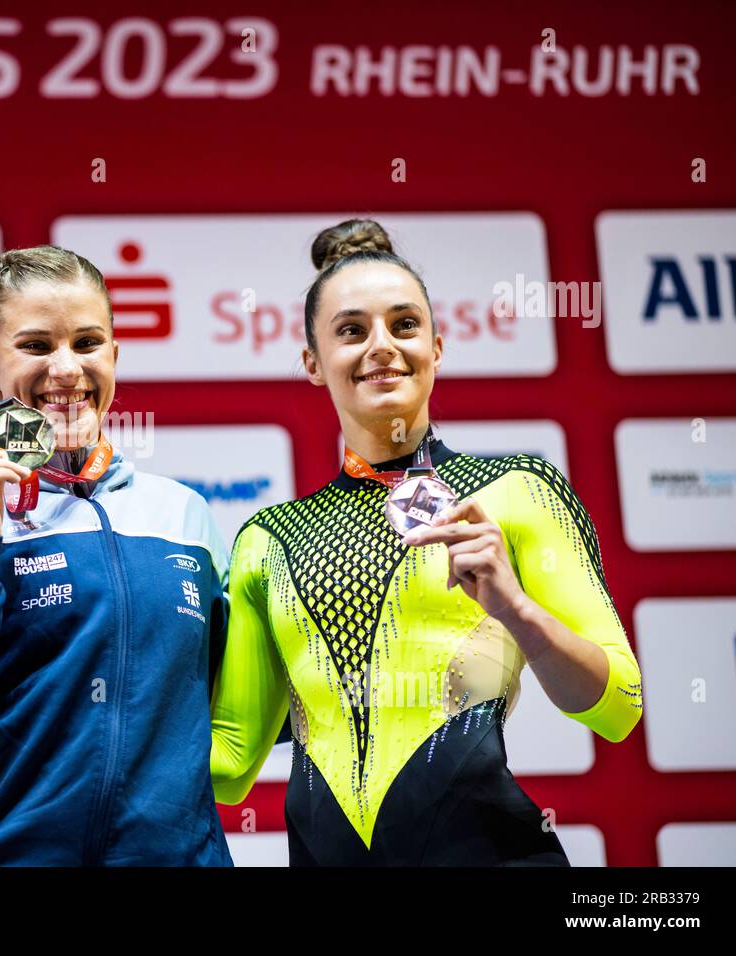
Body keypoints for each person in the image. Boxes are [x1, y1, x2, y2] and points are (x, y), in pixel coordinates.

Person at [210, 219, 643, 866]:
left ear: (437, 349)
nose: (381, 346)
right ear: (311, 362)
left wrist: (517, 610)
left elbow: (618, 707)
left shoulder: (515, 490)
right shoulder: (267, 541)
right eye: (352, 330)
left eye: (404, 325)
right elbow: (230, 764)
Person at [0, 245, 232, 866]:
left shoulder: (183, 515)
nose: (67, 369)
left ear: (114, 355)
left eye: (88, 342)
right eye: (36, 346)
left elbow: (230, 709)